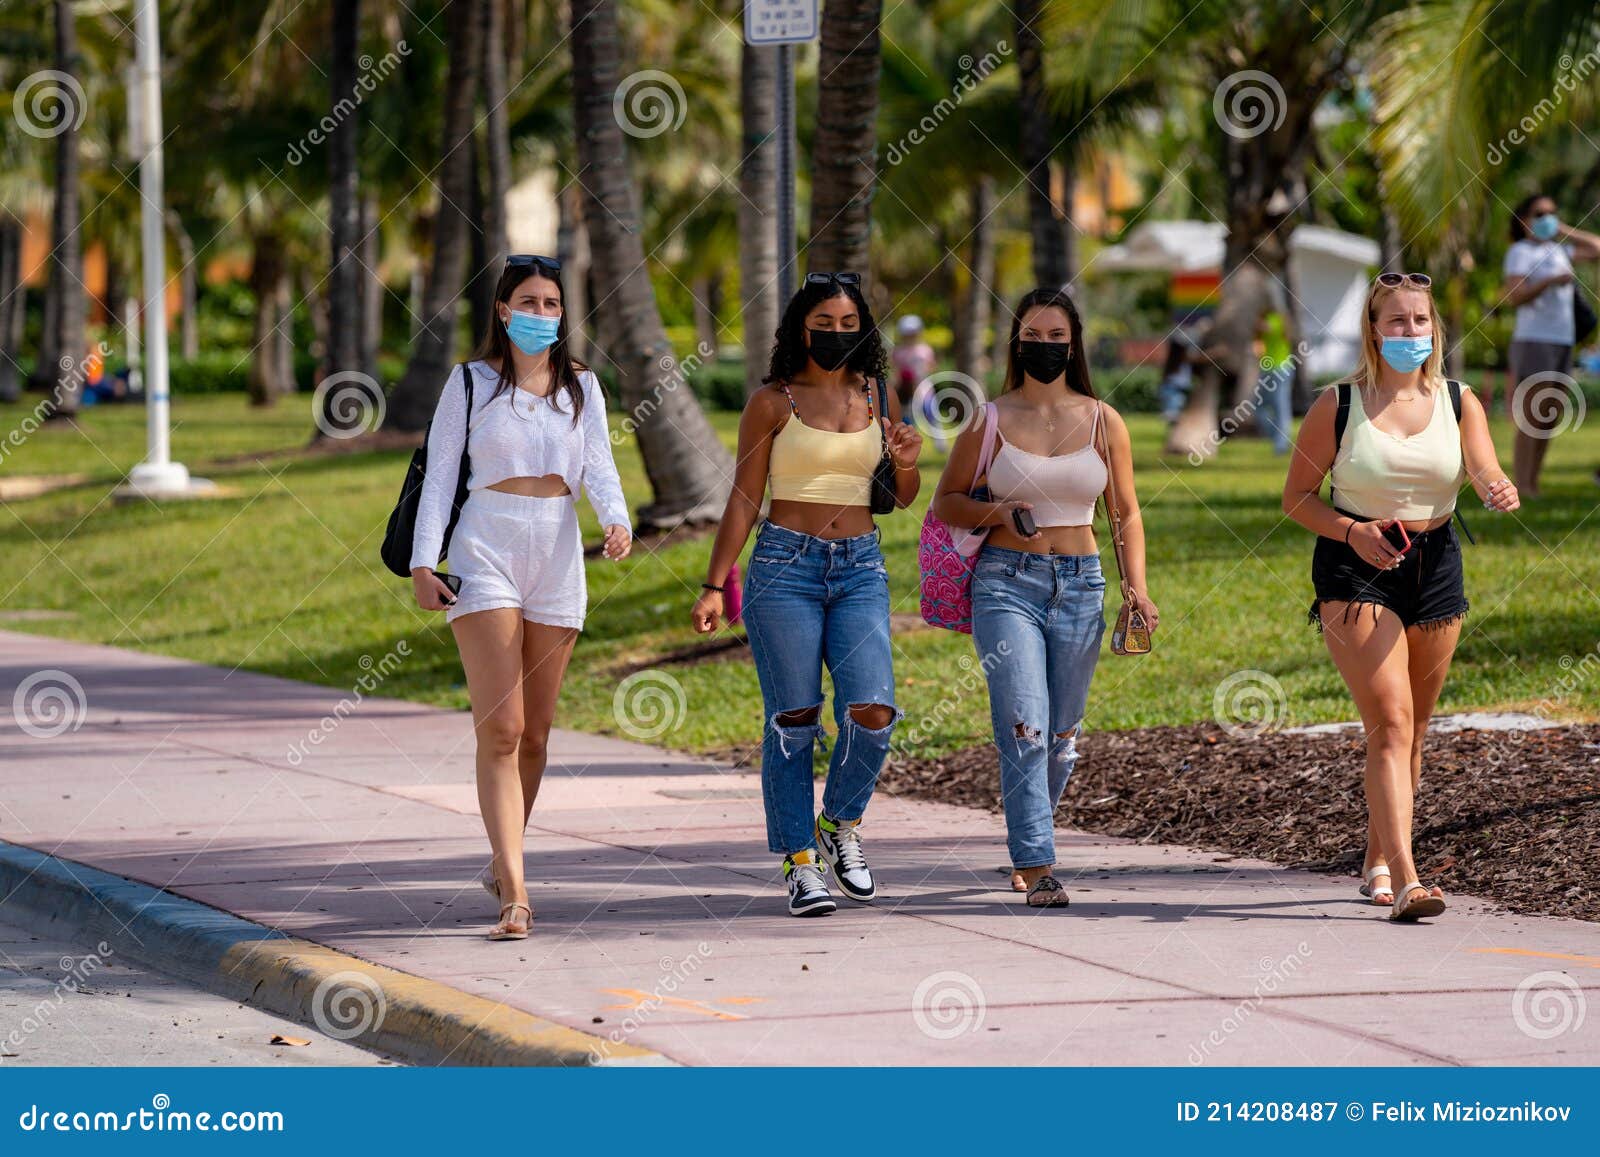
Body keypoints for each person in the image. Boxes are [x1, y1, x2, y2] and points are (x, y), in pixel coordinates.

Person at [1282, 271, 1518, 923]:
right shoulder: (1338, 403)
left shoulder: (1458, 398)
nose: (1409, 331)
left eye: (1419, 320)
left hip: (1436, 561)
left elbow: (1482, 464)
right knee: (1389, 721)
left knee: (1413, 731)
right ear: (1373, 330)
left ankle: (1377, 857)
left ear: (1434, 329)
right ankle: (1411, 879)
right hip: (1355, 564)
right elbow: (1295, 497)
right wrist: (1354, 531)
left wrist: (1497, 485)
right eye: (1396, 321)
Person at [409, 255, 632, 941]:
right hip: (487, 546)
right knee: (501, 728)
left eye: (552, 304)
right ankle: (517, 890)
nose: (541, 315)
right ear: (503, 311)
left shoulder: (582, 387)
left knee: (536, 732)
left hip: (558, 551)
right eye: (528, 302)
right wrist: (423, 561)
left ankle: (500, 859)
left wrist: (616, 518)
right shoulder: (470, 383)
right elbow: (441, 473)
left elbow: (598, 461)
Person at [691, 272, 922, 917]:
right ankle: (798, 861)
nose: (837, 334)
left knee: (873, 711)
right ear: (800, 328)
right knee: (793, 719)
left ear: (865, 331)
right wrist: (716, 584)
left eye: (850, 325)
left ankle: (838, 824)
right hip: (784, 568)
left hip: (860, 566)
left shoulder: (878, 395)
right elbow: (744, 498)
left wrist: (906, 456)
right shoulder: (773, 402)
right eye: (824, 324)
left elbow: (900, 497)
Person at [931, 287, 1158, 907]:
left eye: (1058, 338)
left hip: (1081, 585)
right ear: (1017, 342)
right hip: (1006, 583)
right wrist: (1000, 511)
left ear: (1073, 345)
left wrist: (1136, 587)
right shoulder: (990, 418)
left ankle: (1034, 834)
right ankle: (1035, 863)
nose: (1046, 347)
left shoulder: (1104, 420)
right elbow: (946, 501)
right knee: (1025, 727)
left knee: (1061, 736)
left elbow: (1126, 514)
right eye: (1034, 335)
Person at [1501, 193, 1600, 497]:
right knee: (1532, 414)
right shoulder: (1520, 252)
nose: (1547, 218)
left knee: (1550, 414)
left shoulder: (1559, 250)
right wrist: (1548, 282)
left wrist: (1561, 229)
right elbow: (1515, 296)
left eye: (1552, 212)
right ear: (1524, 219)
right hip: (1534, 339)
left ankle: (1534, 482)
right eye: (1540, 213)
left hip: (1562, 339)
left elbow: (1596, 247)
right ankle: (1523, 484)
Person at [892, 314, 945, 450]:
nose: (911, 336)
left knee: (931, 413)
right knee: (909, 418)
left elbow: (931, 366)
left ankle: (940, 443)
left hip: (924, 389)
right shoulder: (899, 352)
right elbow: (896, 371)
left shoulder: (924, 350)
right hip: (907, 391)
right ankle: (906, 443)